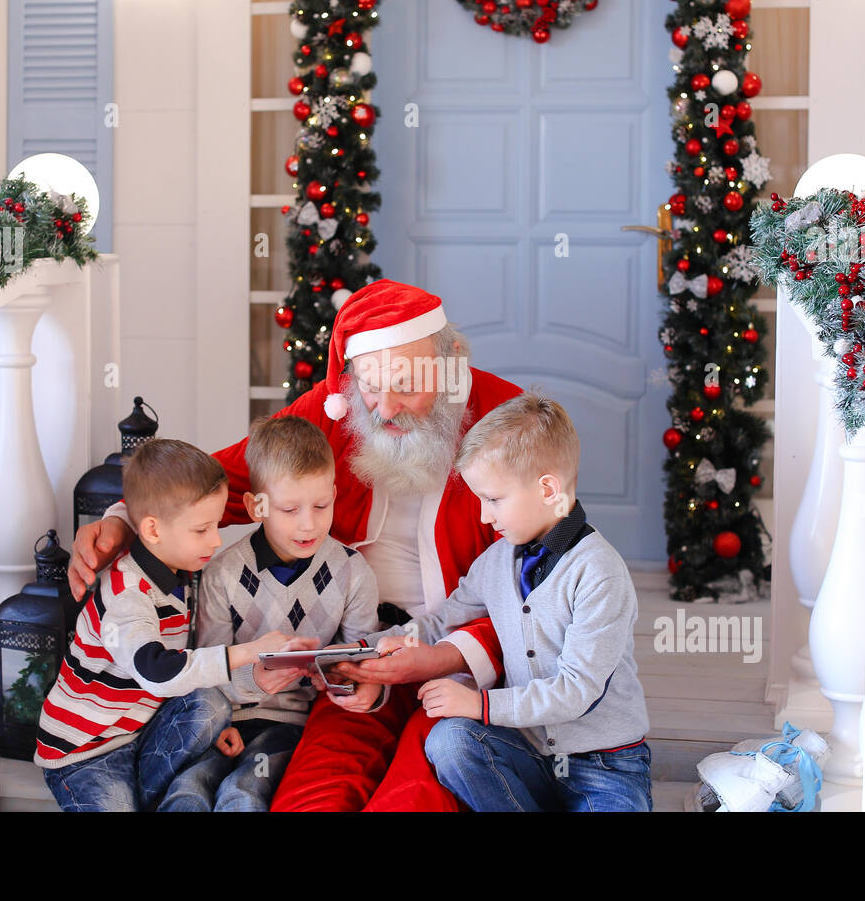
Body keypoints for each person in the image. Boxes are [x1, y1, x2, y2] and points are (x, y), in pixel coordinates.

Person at [69, 280, 525, 811]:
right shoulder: (333, 412)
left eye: (404, 385)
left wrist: (437, 658)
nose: (384, 409)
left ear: (450, 364)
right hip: (350, 659)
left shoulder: (507, 421)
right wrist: (129, 518)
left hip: (454, 660)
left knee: (415, 795)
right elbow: (234, 477)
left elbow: (538, 584)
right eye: (371, 387)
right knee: (311, 796)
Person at [377, 393, 653, 812]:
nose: (485, 516)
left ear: (546, 488)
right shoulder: (497, 560)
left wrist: (481, 704)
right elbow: (442, 621)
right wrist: (380, 645)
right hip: (529, 755)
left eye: (493, 499)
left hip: (605, 765)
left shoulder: (598, 572)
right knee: (449, 741)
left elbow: (577, 691)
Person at [34, 439, 302, 811]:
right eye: (202, 529)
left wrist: (209, 735)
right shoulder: (128, 594)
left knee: (210, 703)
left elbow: (183, 675)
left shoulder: (179, 575)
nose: (216, 539)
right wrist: (248, 652)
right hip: (85, 752)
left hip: (138, 733)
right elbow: (158, 672)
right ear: (153, 531)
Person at [177, 415, 384, 810]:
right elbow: (207, 666)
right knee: (188, 791)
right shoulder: (223, 573)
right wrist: (253, 680)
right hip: (221, 719)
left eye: (321, 505)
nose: (309, 523)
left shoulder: (352, 572)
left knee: (243, 793)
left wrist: (344, 678)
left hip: (288, 727)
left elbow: (361, 657)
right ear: (257, 506)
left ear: (334, 495)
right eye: (290, 510)